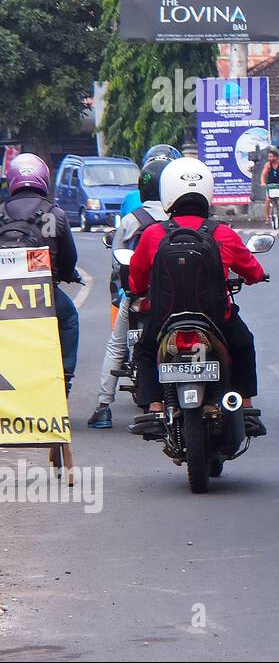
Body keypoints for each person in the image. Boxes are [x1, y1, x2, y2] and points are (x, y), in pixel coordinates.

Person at [127, 158, 268, 439]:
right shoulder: (222, 233)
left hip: (164, 321)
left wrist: (138, 291)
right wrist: (256, 277)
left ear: (167, 193)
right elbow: (253, 272)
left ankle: (155, 406)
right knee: (243, 344)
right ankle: (246, 407)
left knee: (143, 350)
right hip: (216, 320)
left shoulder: (153, 234)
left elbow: (136, 281)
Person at [1, 154, 79, 480]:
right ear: (44, 180)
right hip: (42, 299)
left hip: (4, 300)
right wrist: (68, 273)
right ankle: (63, 379)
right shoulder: (56, 214)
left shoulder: (1, 212)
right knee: (70, 317)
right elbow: (70, 257)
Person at [88, 151, 176, 429]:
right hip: (176, 296)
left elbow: (117, 260)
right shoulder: (179, 218)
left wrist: (129, 290)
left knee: (116, 344)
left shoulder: (131, 220)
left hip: (139, 297)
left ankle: (103, 407)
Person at [260, 148, 279, 228]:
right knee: (267, 200)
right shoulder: (268, 164)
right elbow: (263, 174)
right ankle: (267, 218)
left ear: (276, 157)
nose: (269, 158)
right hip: (270, 185)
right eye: (269, 157)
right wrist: (263, 182)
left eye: (271, 157)